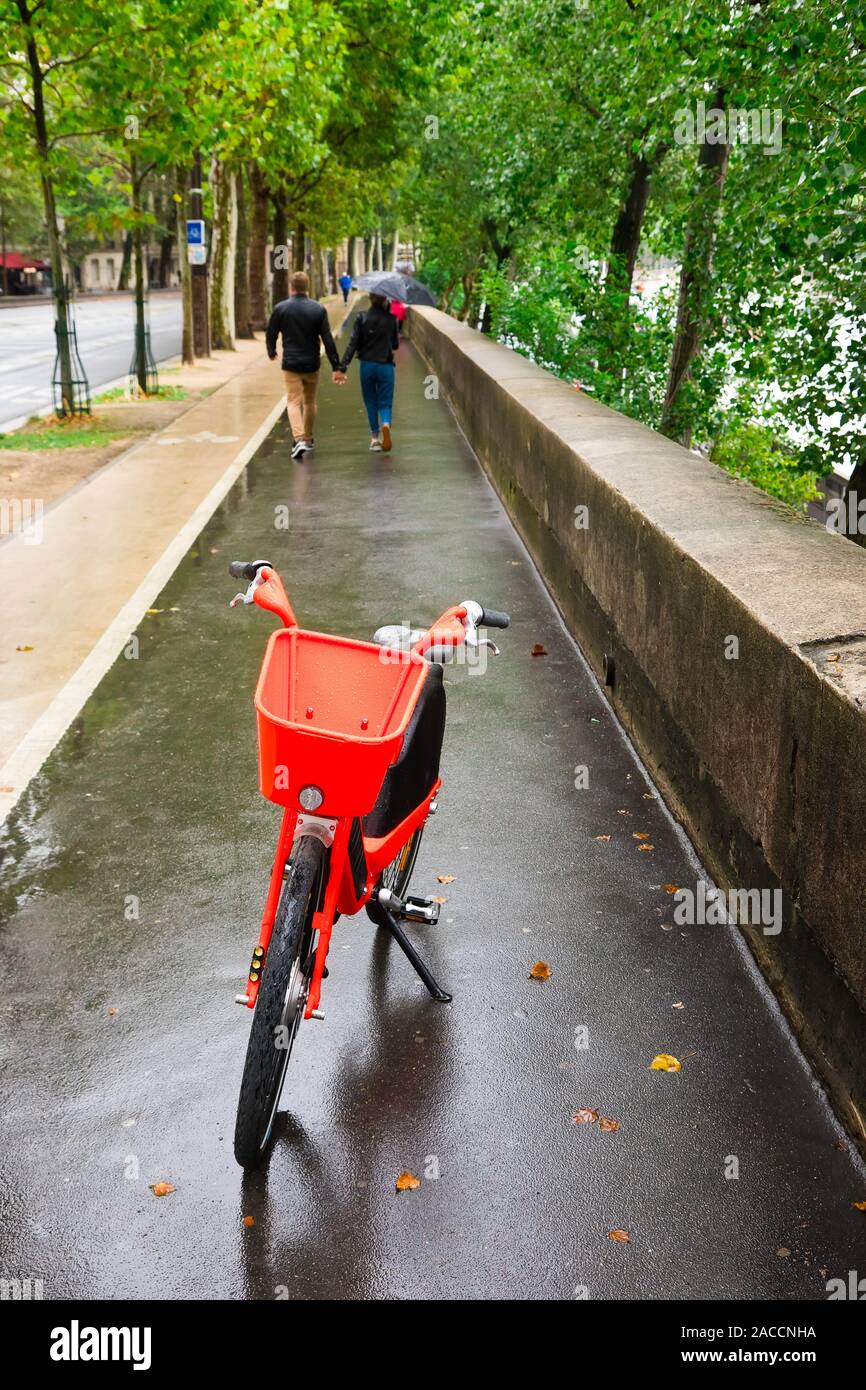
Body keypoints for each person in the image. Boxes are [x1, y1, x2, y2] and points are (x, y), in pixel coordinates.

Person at [266, 271, 346, 460]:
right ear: (307, 287)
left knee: (293, 401)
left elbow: (271, 333)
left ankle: (299, 438)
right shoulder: (318, 309)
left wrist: (271, 351)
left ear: (291, 287)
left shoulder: (281, 308)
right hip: (312, 363)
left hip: (291, 363)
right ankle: (308, 439)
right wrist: (337, 366)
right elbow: (328, 339)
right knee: (309, 401)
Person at [336, 293, 399, 452]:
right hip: (386, 366)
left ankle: (375, 439)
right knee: (385, 401)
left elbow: (353, 344)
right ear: (385, 300)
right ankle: (386, 423)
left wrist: (342, 368)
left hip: (367, 366)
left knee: (371, 401)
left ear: (370, 299)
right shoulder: (391, 319)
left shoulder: (361, 318)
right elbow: (395, 345)